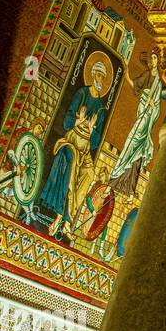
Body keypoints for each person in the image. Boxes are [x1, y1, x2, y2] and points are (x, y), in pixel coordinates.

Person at [40, 60, 111, 241]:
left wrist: (93, 128)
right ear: (93, 74)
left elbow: (95, 143)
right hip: (71, 142)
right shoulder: (82, 93)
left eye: (102, 77)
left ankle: (66, 220)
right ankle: (62, 220)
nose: (99, 79)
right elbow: (66, 122)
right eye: (97, 75)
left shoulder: (101, 108)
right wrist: (78, 122)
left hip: (85, 149)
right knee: (71, 169)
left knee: (88, 174)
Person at [108, 49, 166, 198]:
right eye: (152, 58)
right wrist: (127, 75)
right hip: (142, 112)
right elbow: (135, 85)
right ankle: (118, 175)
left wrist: (153, 104)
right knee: (132, 139)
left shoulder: (160, 82)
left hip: (149, 116)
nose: (153, 61)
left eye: (156, 58)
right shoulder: (147, 75)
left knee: (140, 148)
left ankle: (129, 186)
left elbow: (161, 100)